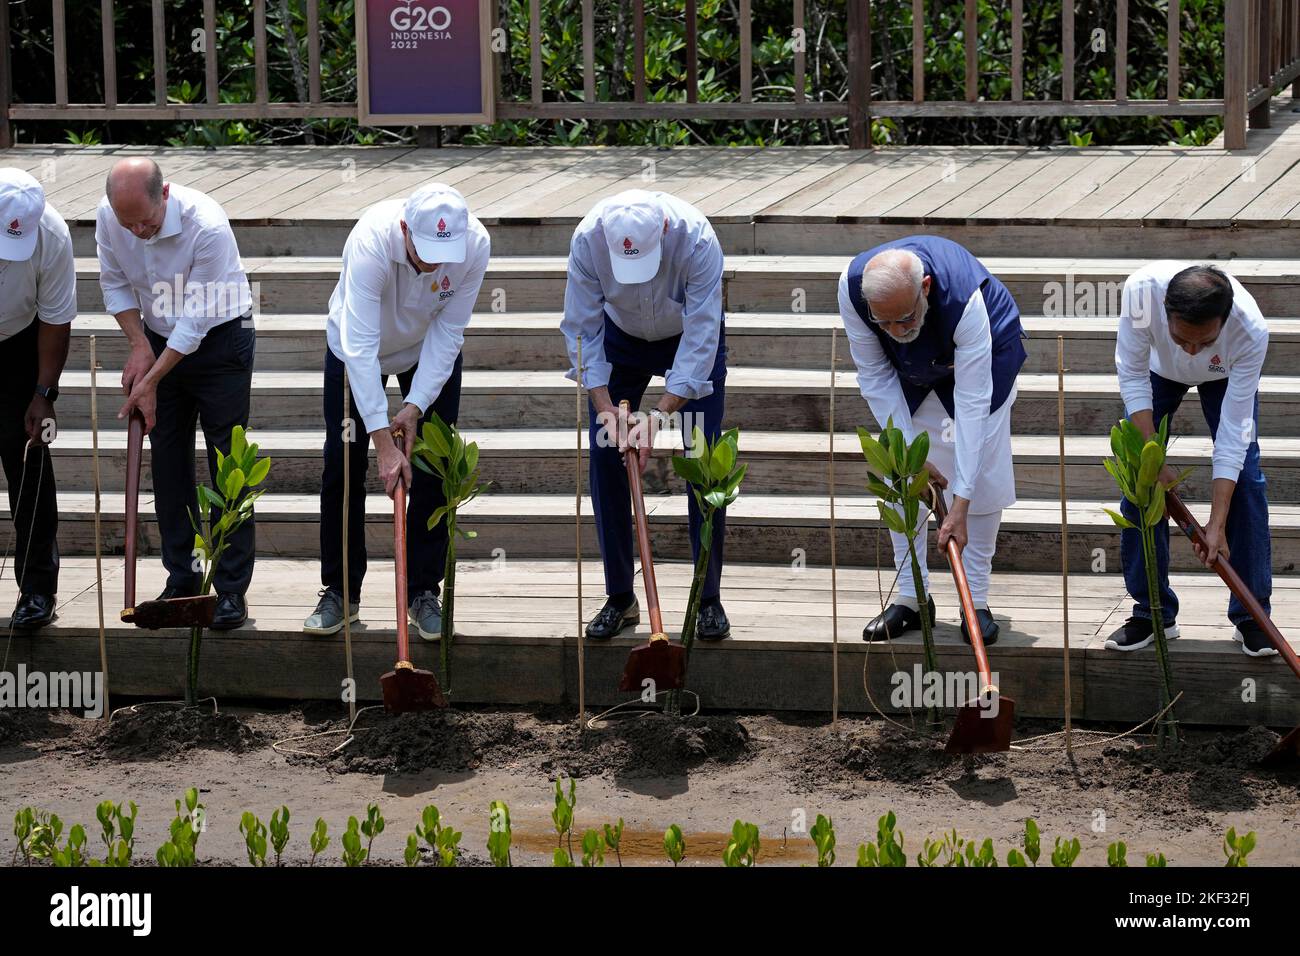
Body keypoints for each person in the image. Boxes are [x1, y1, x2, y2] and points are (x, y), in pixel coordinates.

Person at [303, 183, 489, 640]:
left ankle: (424, 590)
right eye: (424, 251)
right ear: (404, 228)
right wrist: (383, 442)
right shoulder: (369, 241)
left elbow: (449, 332)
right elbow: (361, 351)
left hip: (427, 349)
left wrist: (416, 404)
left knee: (432, 464)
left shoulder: (476, 245)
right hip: (356, 349)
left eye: (444, 253)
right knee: (342, 465)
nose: (433, 264)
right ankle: (341, 591)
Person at [561, 189, 731, 641]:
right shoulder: (587, 240)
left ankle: (707, 596)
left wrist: (658, 416)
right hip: (620, 341)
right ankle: (620, 597)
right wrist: (604, 408)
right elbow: (581, 328)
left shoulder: (697, 239)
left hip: (688, 336)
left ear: (665, 232)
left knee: (705, 460)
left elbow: (700, 337)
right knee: (606, 458)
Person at [840, 236, 1027, 645]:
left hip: (984, 363)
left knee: (981, 474)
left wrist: (959, 503)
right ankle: (912, 596)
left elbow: (974, 402)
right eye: (884, 323)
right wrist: (909, 452)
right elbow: (873, 374)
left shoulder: (965, 301)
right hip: (909, 373)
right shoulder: (852, 288)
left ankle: (974, 599)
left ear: (925, 287)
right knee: (900, 476)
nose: (895, 331)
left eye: (903, 319)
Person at [97, 158, 255, 629]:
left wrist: (149, 380)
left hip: (221, 337)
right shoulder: (112, 218)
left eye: (146, 220)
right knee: (167, 458)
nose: (139, 231)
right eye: (129, 223)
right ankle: (181, 575)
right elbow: (114, 283)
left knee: (229, 462)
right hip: (159, 336)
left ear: (164, 194)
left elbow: (194, 323)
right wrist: (139, 346)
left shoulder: (206, 225)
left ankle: (230, 589)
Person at [1108, 262, 1274, 657]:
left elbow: (1234, 435)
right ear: (1164, 311)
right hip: (1156, 373)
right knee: (1139, 481)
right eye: (1183, 338)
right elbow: (1131, 375)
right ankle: (1152, 613)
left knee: (1247, 482)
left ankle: (1253, 617)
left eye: (1204, 341)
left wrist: (1216, 524)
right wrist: (1152, 456)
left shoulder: (1250, 330)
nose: (1193, 351)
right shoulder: (1141, 293)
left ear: (1225, 319)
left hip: (1226, 376)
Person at [0, 168, 76, 630]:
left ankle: (37, 589)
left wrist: (43, 393)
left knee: (27, 460)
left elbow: (55, 317)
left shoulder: (52, 234)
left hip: (19, 343)